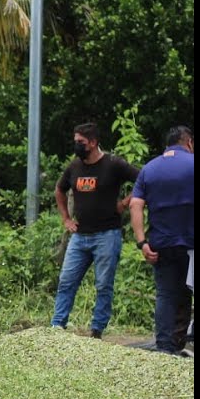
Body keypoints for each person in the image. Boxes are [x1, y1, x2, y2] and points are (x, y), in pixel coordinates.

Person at [50, 122, 141, 338]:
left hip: (107, 235)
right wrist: (66, 219)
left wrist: (125, 203)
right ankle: (57, 326)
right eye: (75, 142)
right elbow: (59, 190)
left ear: (93, 142)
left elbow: (144, 179)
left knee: (103, 285)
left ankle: (97, 330)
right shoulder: (74, 167)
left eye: (80, 142)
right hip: (80, 236)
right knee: (67, 280)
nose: (77, 146)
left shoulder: (113, 164)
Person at [129, 126, 194, 355]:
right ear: (189, 143)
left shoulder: (149, 169)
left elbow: (135, 205)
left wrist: (142, 242)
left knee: (166, 295)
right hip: (191, 243)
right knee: (188, 291)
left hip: (161, 244)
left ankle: (166, 347)